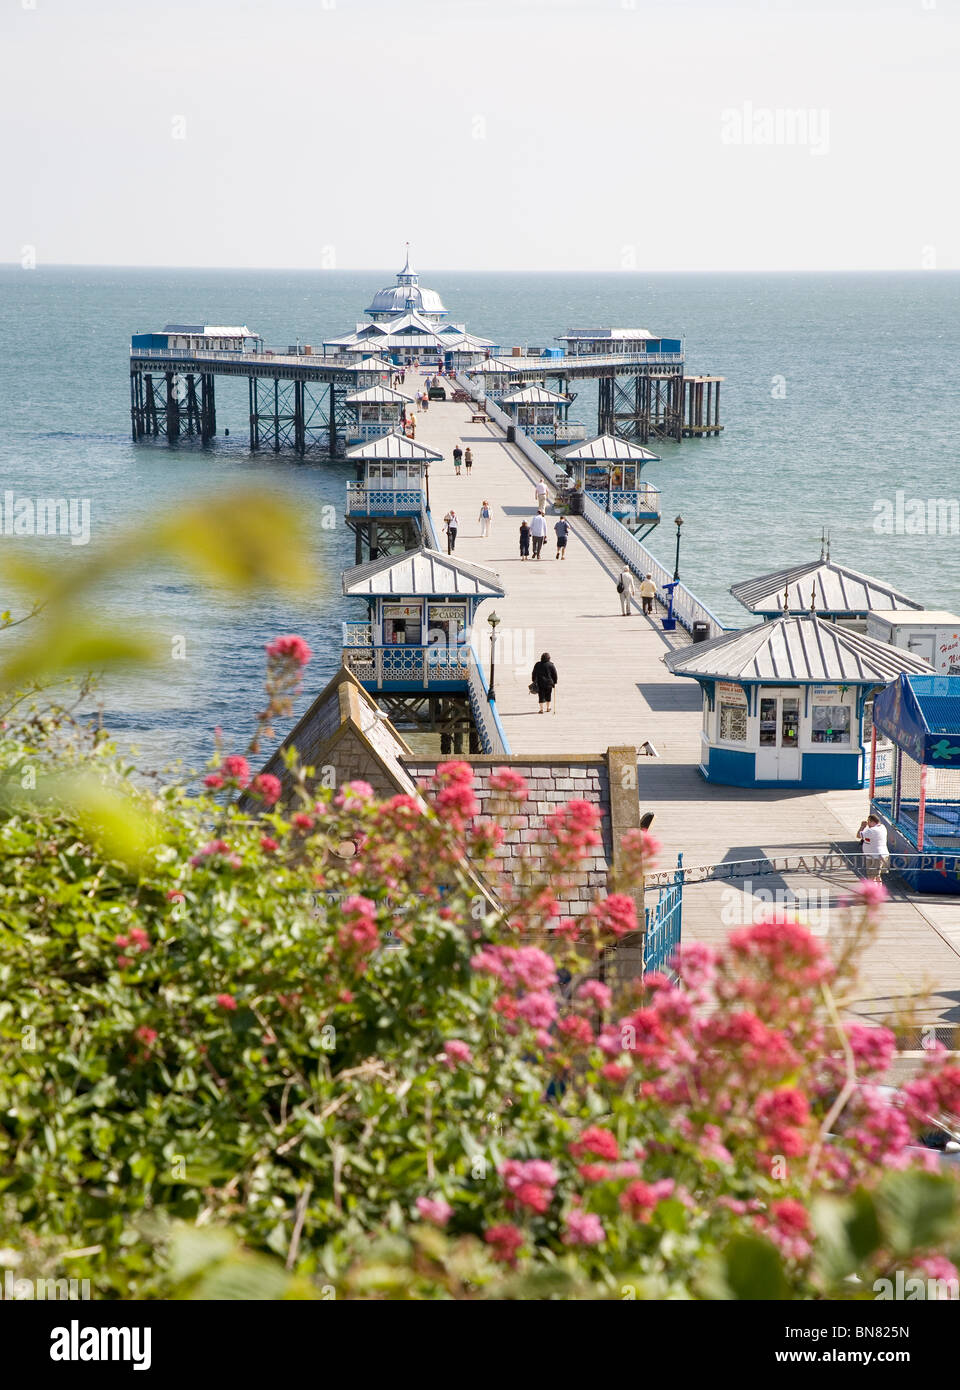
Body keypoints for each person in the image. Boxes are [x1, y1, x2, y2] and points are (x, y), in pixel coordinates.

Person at [857, 813, 889, 882]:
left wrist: (862, 826)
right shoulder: (882, 827)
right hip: (877, 856)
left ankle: (873, 892)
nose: (868, 824)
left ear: (872, 821)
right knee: (877, 876)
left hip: (876, 857)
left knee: (872, 878)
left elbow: (858, 835)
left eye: (868, 822)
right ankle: (879, 891)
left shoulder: (871, 830)